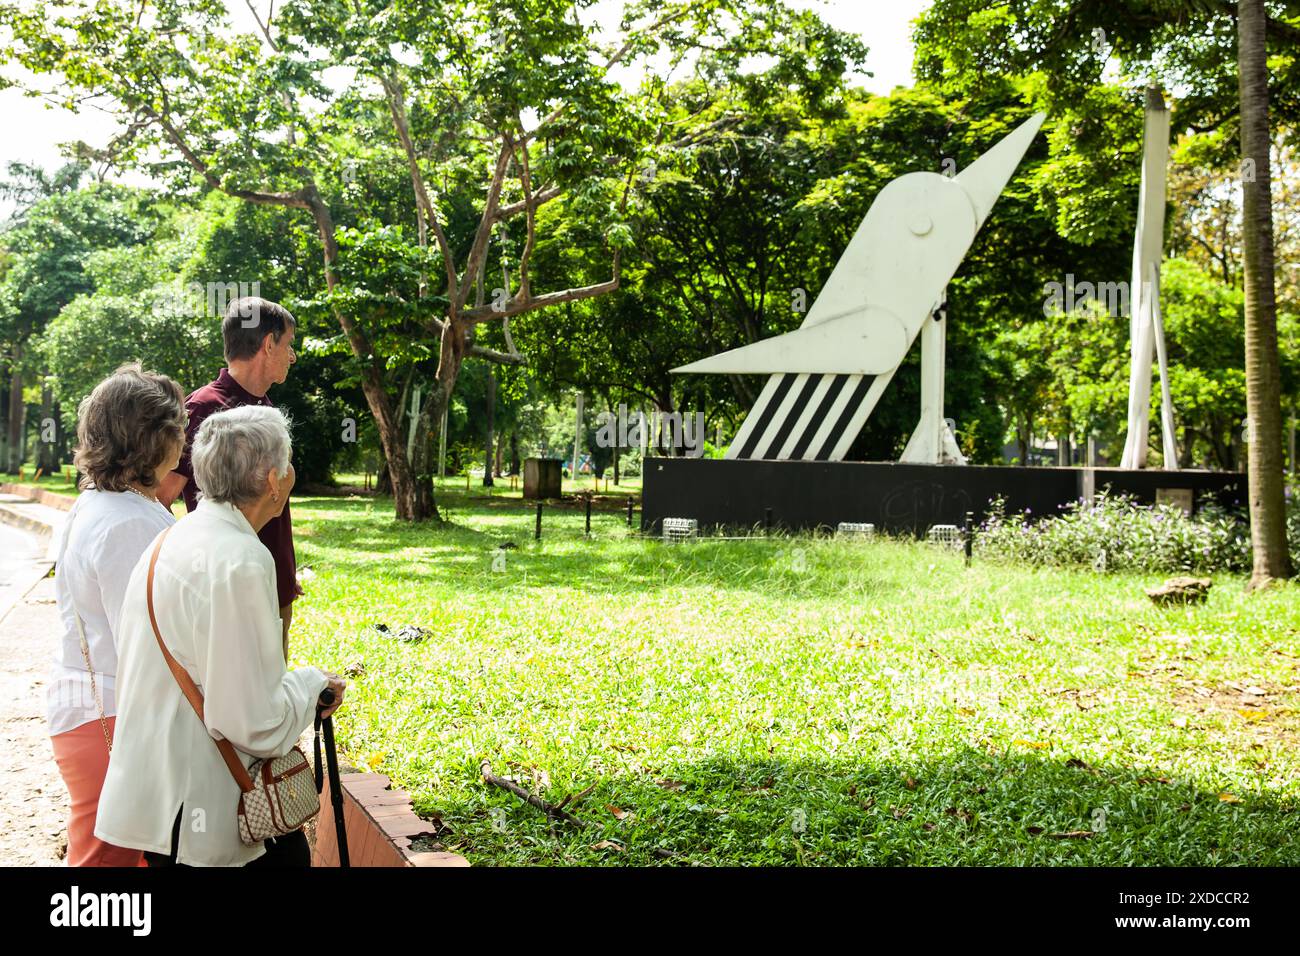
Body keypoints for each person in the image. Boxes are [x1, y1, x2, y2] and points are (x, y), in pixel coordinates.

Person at [95, 405, 346, 867]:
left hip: (161, 803)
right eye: (288, 464)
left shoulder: (172, 538)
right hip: (206, 812)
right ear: (274, 480)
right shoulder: (240, 559)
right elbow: (255, 721)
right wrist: (312, 685)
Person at [46, 363, 186, 867]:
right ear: (153, 440)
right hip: (113, 716)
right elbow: (146, 649)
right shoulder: (129, 522)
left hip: (92, 709)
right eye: (178, 428)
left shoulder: (103, 504)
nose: (184, 439)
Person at [157, 295, 300, 660]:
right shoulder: (202, 408)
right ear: (268, 344)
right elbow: (160, 499)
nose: (292, 356)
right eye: (289, 345)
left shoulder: (267, 408)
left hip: (273, 581)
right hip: (227, 584)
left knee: (271, 692)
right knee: (235, 695)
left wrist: (285, 568)